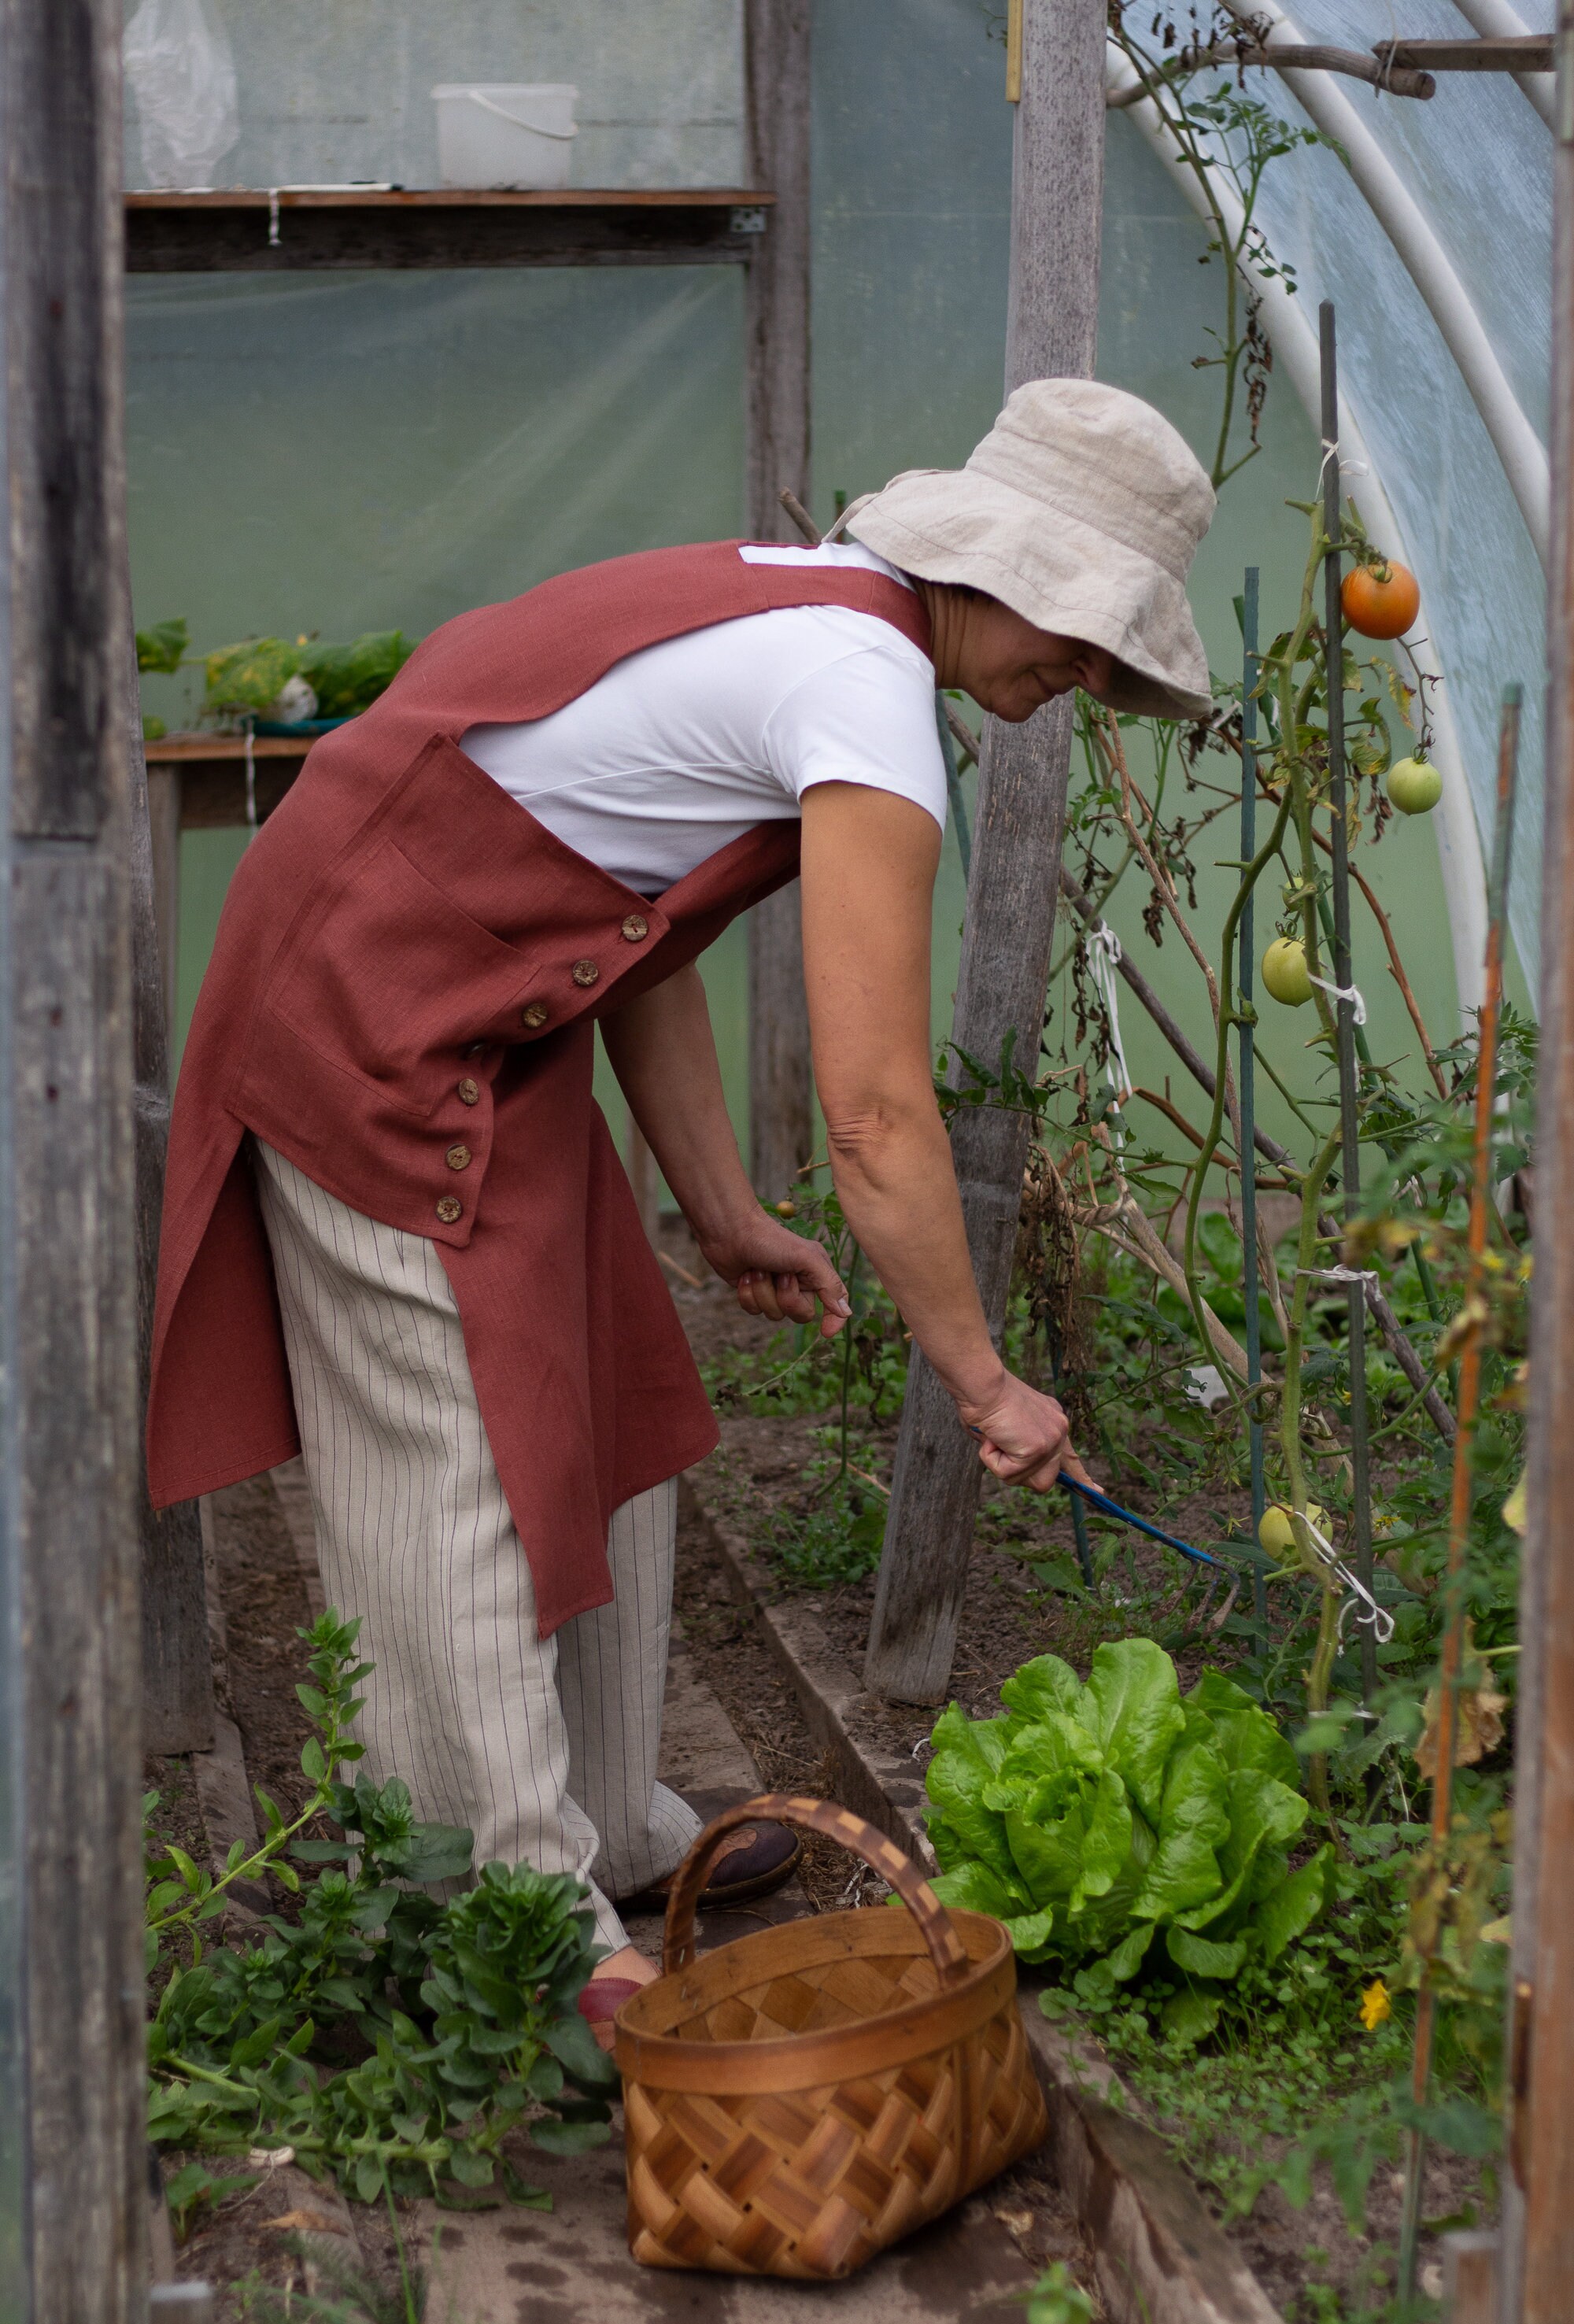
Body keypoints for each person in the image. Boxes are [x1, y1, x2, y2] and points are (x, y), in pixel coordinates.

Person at [147, 378, 1214, 2030]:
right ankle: (497, 1905)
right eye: (1073, 635)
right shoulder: (866, 697)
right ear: (986, 566)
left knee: (605, 1383)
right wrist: (983, 1377)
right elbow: (871, 1113)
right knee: (457, 1446)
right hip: (363, 1008)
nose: (1076, 677)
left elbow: (631, 911)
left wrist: (713, 1208)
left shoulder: (805, 611)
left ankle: (606, 1809)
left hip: (501, 1002)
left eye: (1104, 659)